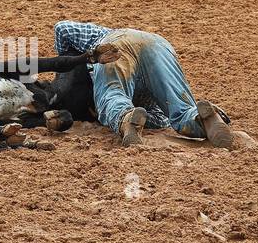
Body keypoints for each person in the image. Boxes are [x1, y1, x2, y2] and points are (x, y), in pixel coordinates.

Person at [52, 21, 234, 148]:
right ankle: (203, 118)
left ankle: (125, 118)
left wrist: (67, 69)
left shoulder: (98, 36)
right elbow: (160, 119)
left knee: (112, 96)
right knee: (181, 108)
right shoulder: (97, 33)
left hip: (115, 44)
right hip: (158, 45)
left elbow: (62, 28)